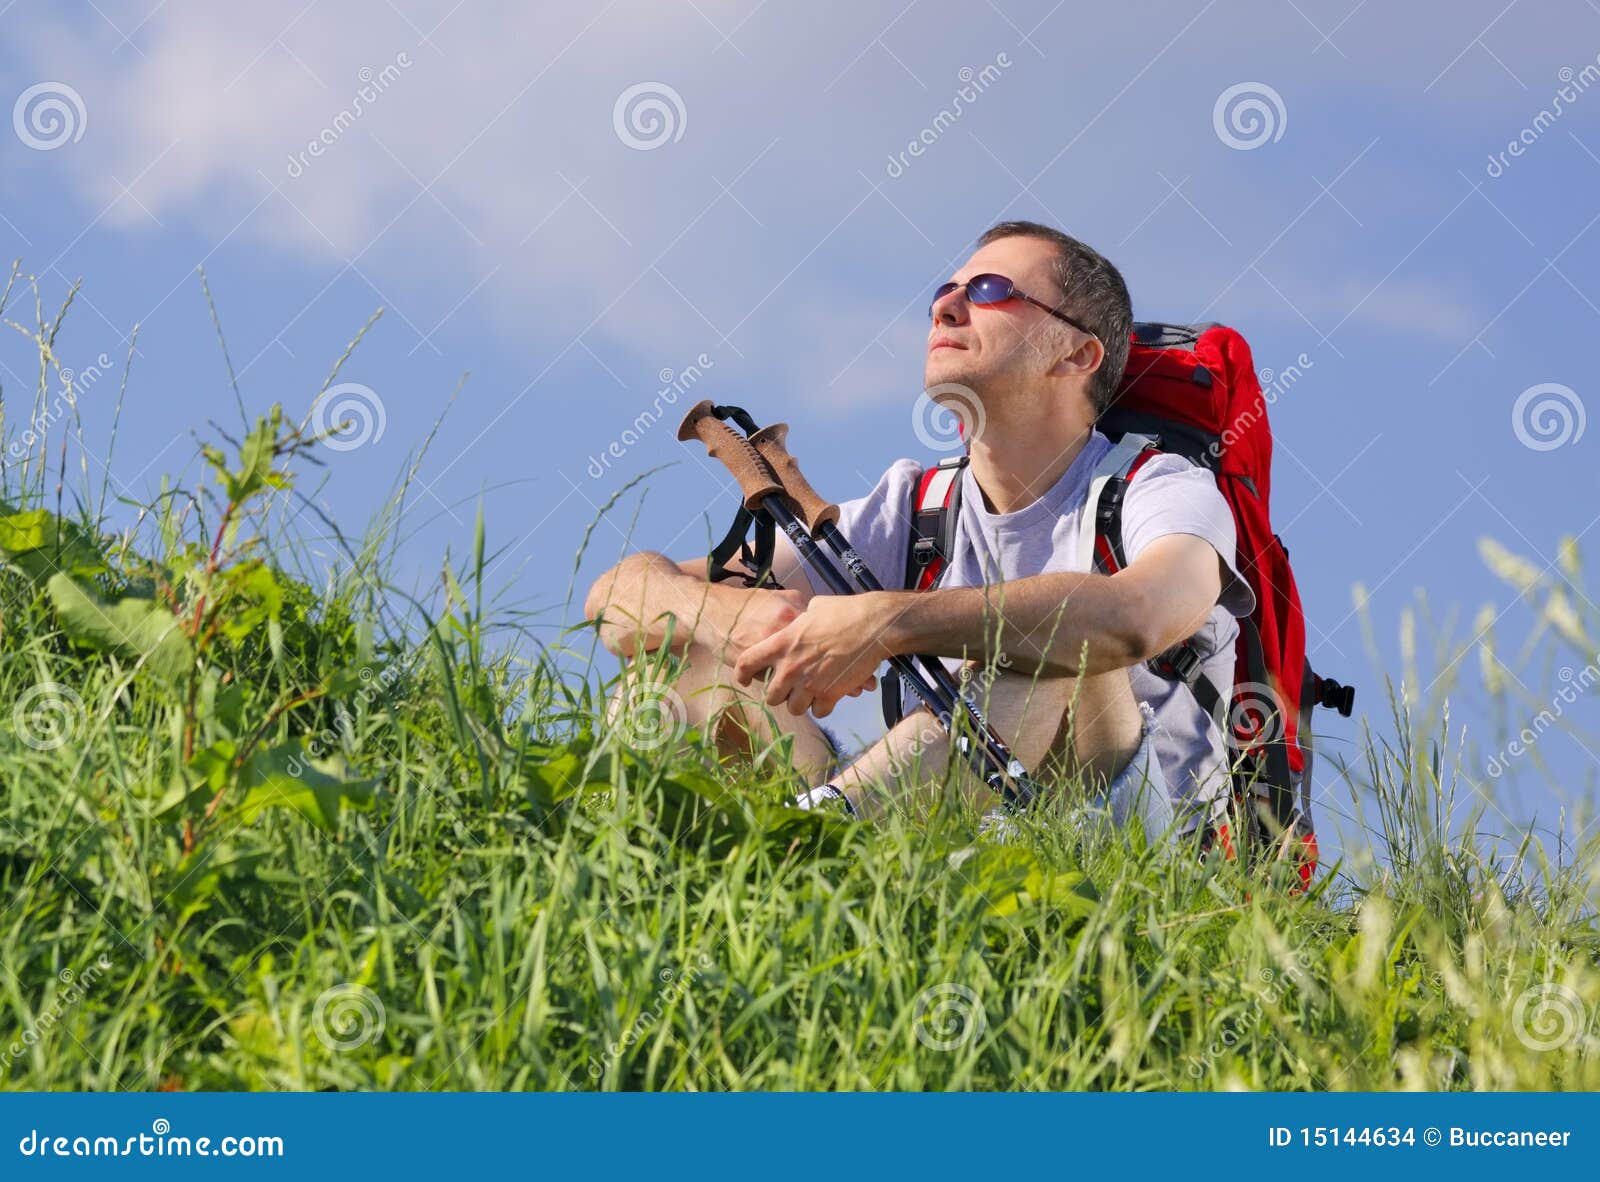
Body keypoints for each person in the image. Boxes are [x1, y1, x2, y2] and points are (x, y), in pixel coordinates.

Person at [585, 221, 1253, 836]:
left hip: (1130, 854)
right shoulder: (916, 502)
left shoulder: (1159, 487)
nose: (946, 306)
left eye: (992, 291)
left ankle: (810, 847)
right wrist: (725, 615)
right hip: (940, 830)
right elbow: (615, 600)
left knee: (1048, 654)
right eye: (947, 289)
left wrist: (885, 620)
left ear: (1077, 355)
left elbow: (1137, 615)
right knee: (688, 660)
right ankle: (659, 863)